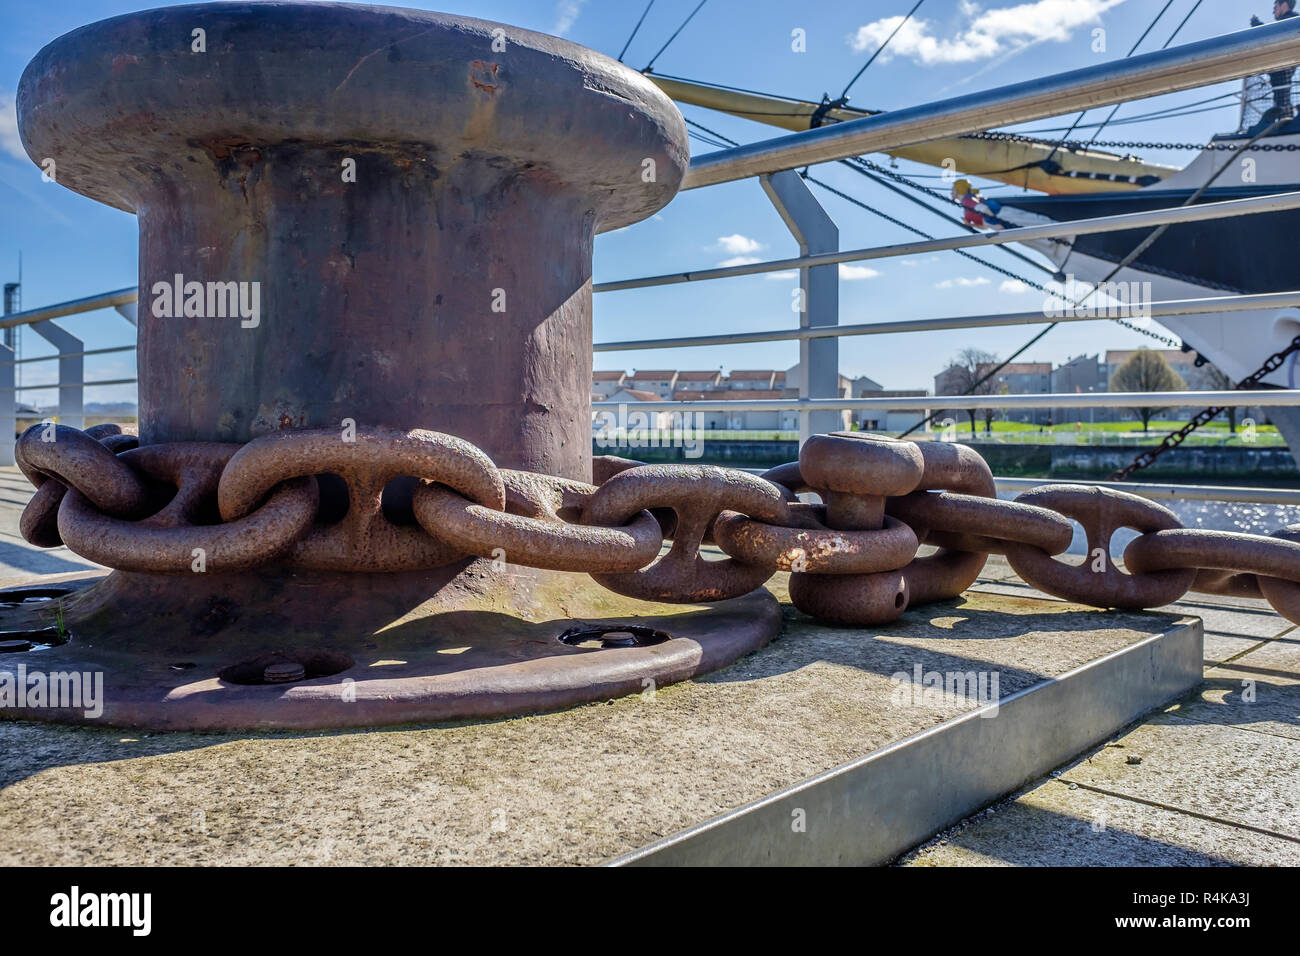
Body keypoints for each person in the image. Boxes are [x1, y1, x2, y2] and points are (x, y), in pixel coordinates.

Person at [1252, 1, 1299, 123]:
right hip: (1283, 66)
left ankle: (1285, 119)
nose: (1273, 11)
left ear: (1284, 5)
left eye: (1275, 7)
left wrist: (1257, 25)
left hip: (1284, 65)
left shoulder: (1290, 21)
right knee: (1281, 93)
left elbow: (1269, 34)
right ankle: (1284, 117)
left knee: (1281, 94)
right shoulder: (1291, 21)